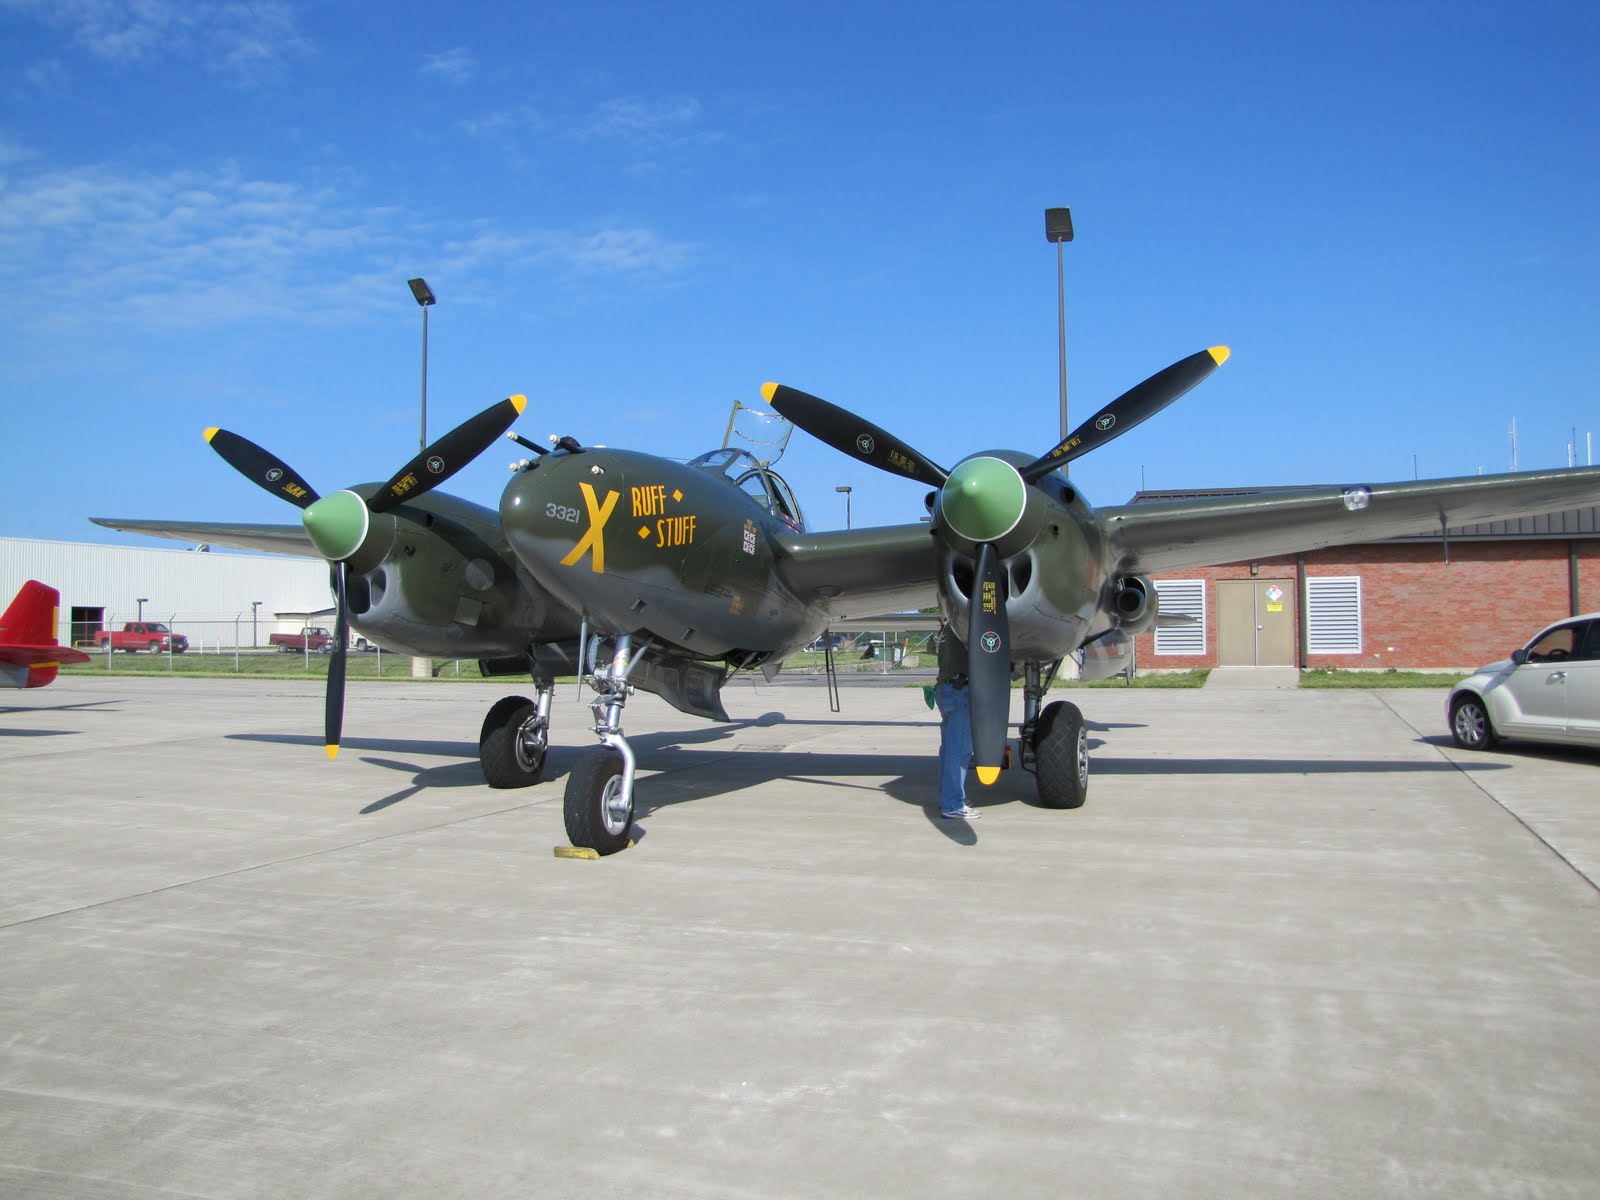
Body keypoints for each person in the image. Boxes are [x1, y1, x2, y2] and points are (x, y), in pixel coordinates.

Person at [934, 623, 980, 820]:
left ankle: (948, 798)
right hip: (959, 690)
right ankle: (952, 803)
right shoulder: (965, 624)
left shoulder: (948, 627)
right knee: (959, 751)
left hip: (946, 689)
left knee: (949, 750)